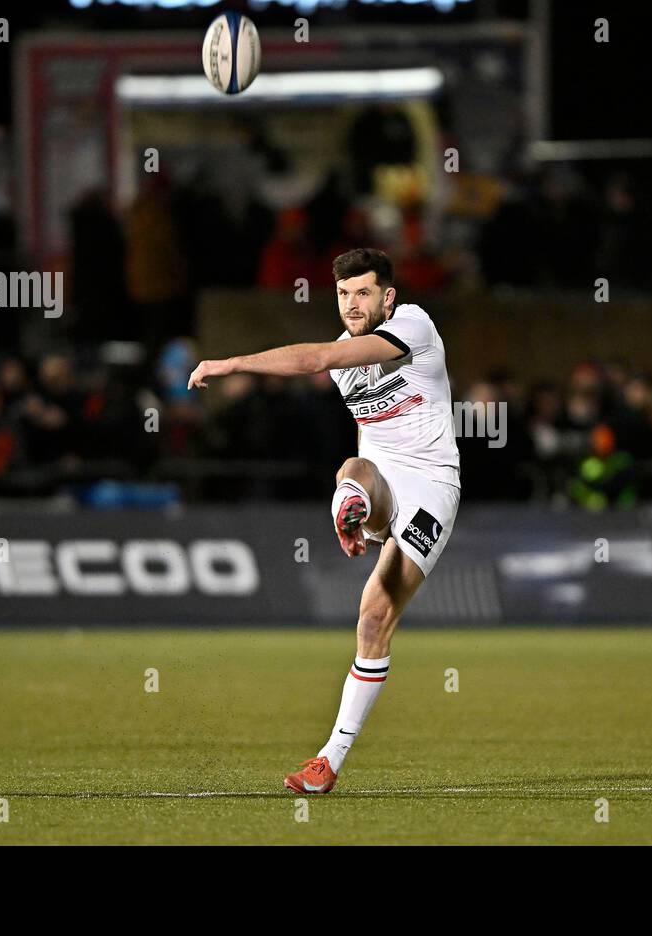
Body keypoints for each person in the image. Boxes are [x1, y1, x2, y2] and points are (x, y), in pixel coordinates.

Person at [188, 248, 460, 794]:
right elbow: (367, 424)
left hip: (432, 486)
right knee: (353, 465)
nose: (351, 304)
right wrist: (367, 509)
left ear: (387, 296)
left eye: (362, 293)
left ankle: (329, 759)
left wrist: (232, 363)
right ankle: (350, 505)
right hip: (382, 475)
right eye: (342, 294)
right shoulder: (345, 358)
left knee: (373, 618)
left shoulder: (413, 324)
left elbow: (311, 360)